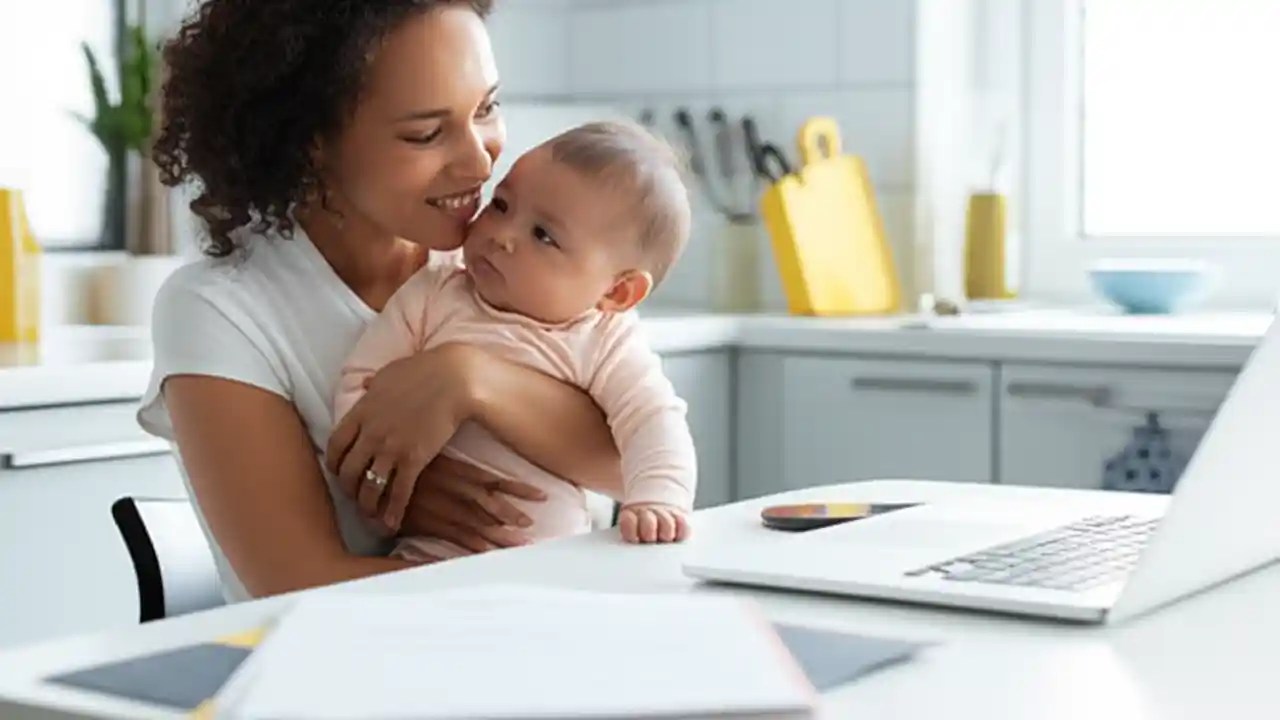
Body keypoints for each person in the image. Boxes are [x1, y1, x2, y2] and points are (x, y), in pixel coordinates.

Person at [136, 0, 624, 603]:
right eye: (425, 134)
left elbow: (634, 463)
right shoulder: (221, 311)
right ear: (312, 141)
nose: (479, 159)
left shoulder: (506, 255)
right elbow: (300, 585)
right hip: (340, 677)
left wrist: (467, 377)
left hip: (543, 651)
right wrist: (390, 504)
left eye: (487, 109)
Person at [334, 121, 697, 562]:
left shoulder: (604, 340)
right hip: (427, 555)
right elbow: (362, 384)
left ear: (616, 292)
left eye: (544, 235)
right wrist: (384, 479)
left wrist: (660, 498)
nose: (502, 237)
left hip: (557, 560)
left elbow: (651, 419)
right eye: (502, 205)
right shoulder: (434, 294)